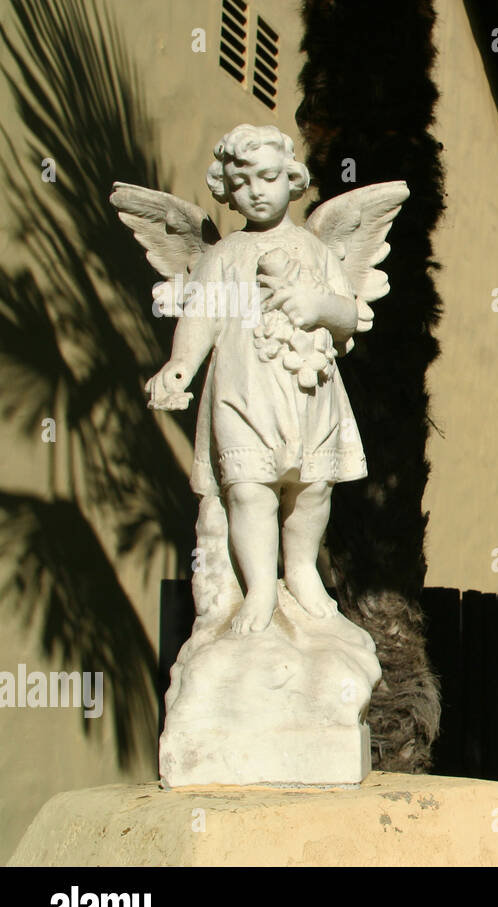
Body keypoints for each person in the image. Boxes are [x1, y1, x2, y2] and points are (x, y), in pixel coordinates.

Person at [144, 125, 368, 633]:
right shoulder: (225, 255)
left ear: (291, 180)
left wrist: (319, 306)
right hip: (244, 389)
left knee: (312, 487)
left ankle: (303, 569)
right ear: (227, 189)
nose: (256, 190)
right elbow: (200, 318)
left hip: (308, 388)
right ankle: (261, 586)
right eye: (241, 182)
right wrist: (179, 367)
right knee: (249, 490)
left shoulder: (315, 250)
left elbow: (349, 316)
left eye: (268, 177)